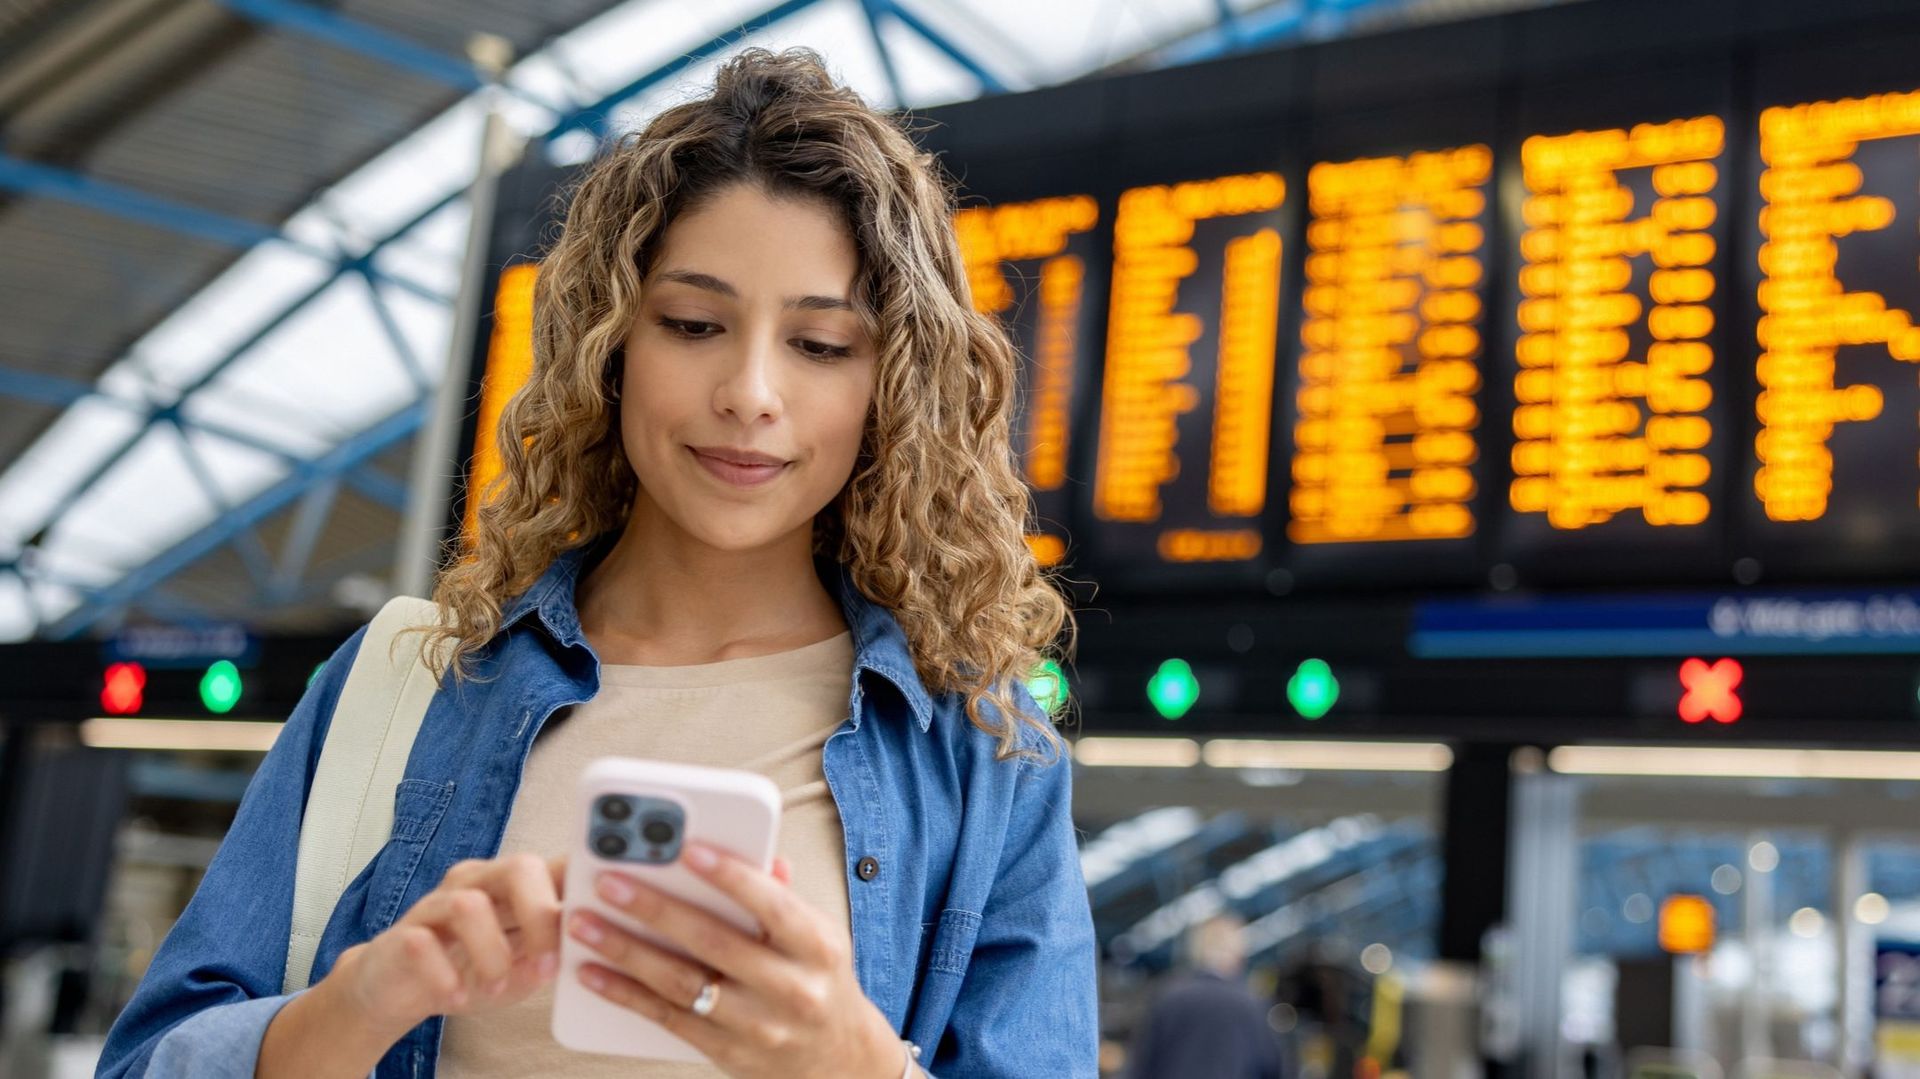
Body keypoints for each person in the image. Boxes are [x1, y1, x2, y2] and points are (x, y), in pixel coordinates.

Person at [94, 45, 1096, 1079]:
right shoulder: (407, 684)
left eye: (821, 345)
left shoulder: (987, 757)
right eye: (694, 324)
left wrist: (854, 1064)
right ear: (614, 347)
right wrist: (364, 1000)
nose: (750, 391)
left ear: (890, 386)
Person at [1124, 913, 1284, 1079]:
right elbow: (1272, 1066)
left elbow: (1141, 1064)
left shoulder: (1167, 996)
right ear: (1238, 953)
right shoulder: (1252, 1004)